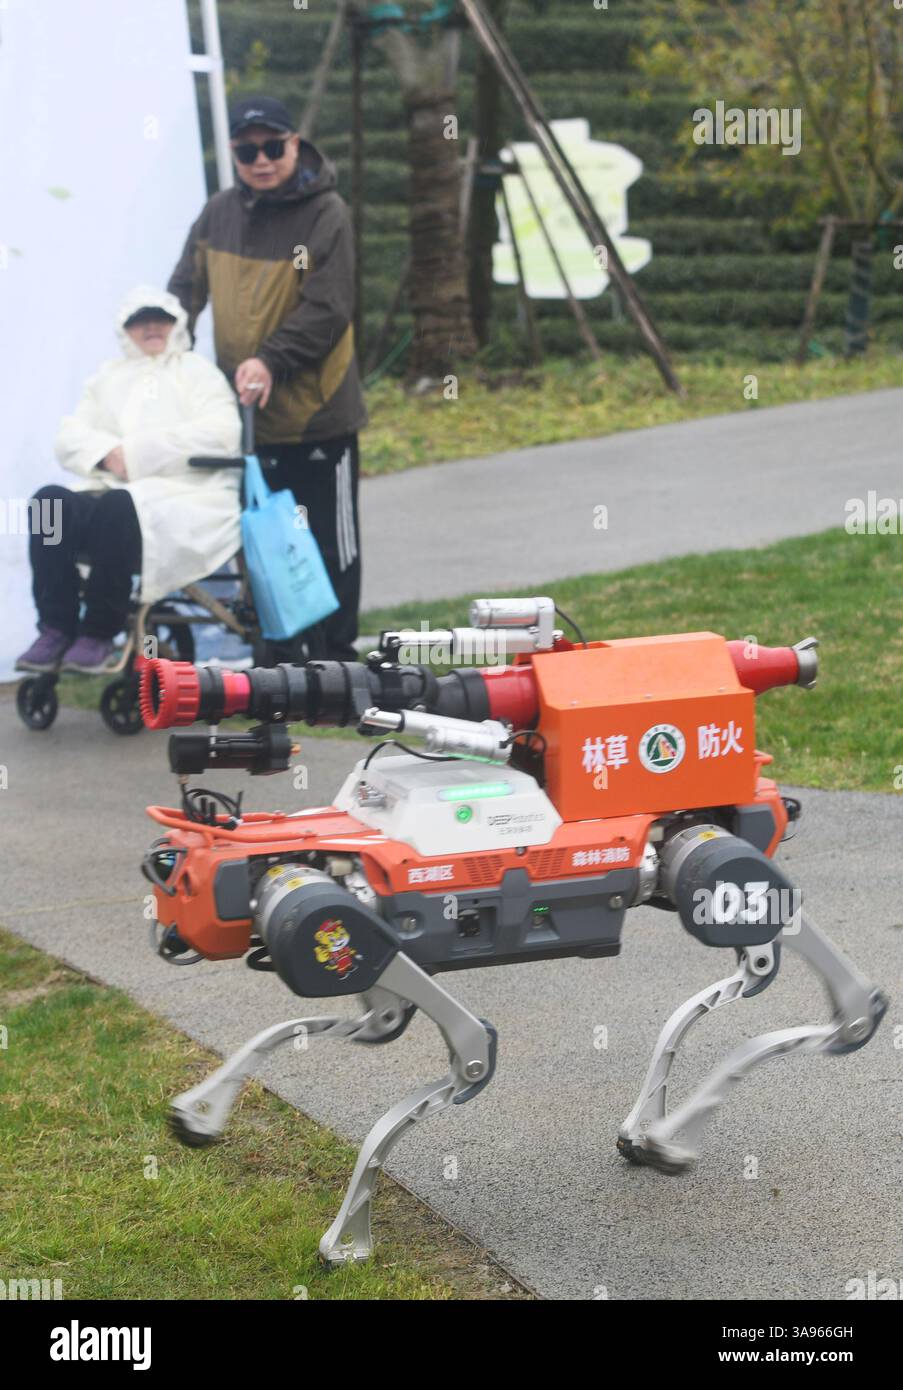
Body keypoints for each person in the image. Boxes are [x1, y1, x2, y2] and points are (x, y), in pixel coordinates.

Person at [167, 95, 367, 662]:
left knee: (329, 542)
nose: (261, 159)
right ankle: (278, 653)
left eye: (273, 147)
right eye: (248, 150)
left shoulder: (326, 213)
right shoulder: (218, 214)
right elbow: (184, 290)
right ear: (234, 153)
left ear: (295, 146)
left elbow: (329, 309)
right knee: (262, 539)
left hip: (317, 413)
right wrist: (163, 342)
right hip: (247, 417)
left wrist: (270, 360)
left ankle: (334, 654)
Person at [16, 286, 241, 674]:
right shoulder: (109, 378)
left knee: (121, 506)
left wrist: (136, 454)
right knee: (49, 503)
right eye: (140, 320)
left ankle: (98, 633)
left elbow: (223, 434)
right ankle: (56, 626)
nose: (151, 326)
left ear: (176, 323)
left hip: (189, 495)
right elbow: (69, 437)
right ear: (126, 329)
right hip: (118, 493)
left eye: (161, 318)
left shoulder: (197, 372)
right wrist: (107, 454)